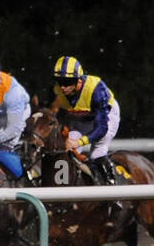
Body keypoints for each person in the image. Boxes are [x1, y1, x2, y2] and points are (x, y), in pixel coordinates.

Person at [50, 55, 121, 185]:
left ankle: (113, 194)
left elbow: (102, 128)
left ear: (79, 80)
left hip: (106, 117)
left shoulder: (97, 90)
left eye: (67, 82)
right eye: (59, 81)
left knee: (96, 153)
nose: (62, 87)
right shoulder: (58, 90)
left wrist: (79, 143)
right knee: (64, 151)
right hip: (84, 117)